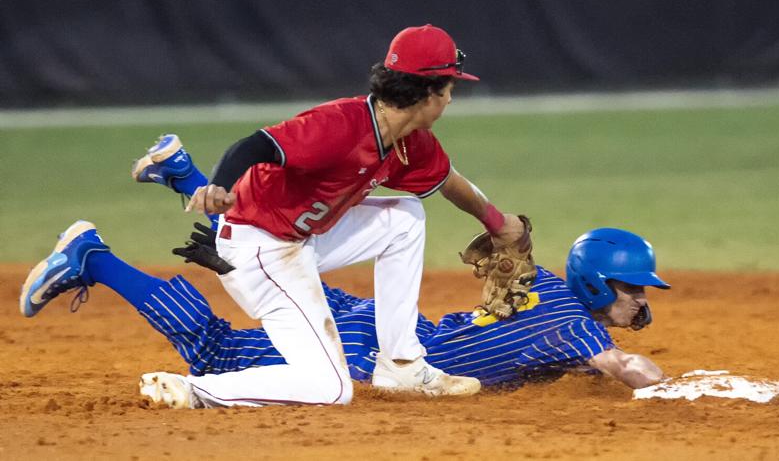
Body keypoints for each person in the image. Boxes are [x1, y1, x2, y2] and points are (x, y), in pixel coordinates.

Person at [133, 24, 530, 402]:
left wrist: (497, 223)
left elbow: (450, 182)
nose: (449, 98)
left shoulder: (412, 142)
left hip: (305, 238)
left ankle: (403, 365)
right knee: (330, 389)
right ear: (428, 92)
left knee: (405, 216)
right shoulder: (340, 125)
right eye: (449, 87)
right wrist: (219, 184)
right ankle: (193, 391)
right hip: (262, 247)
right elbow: (255, 146)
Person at [19, 219, 670, 408]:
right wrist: (657, 381)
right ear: (595, 285)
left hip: (389, 328)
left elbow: (505, 257)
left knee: (267, 272)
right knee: (215, 353)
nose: (641, 300)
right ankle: (92, 258)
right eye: (632, 289)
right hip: (368, 352)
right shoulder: (577, 328)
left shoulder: (548, 286)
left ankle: (206, 204)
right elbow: (624, 369)